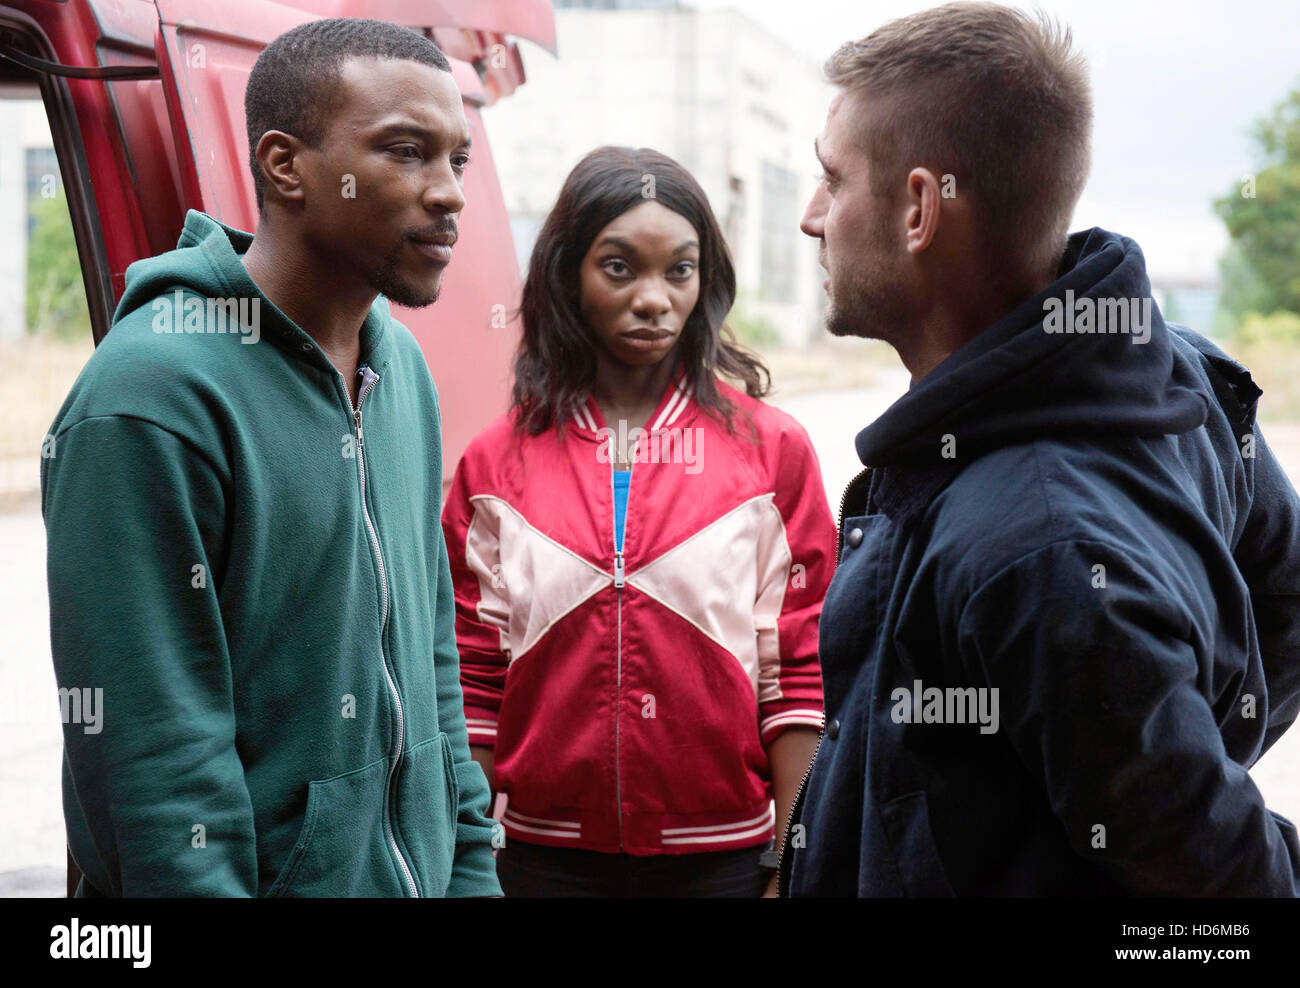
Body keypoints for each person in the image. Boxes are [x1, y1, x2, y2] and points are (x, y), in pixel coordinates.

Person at [780, 1, 1300, 896]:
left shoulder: (1037, 546)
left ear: (918, 210)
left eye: (833, 178)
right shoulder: (1174, 370)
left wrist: (1137, 757)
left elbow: (1223, 880)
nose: (811, 215)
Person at [42, 18, 499, 896]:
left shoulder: (400, 366)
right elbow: (156, 758)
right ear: (286, 166)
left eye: (458, 160)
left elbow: (433, 667)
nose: (448, 194)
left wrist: (472, 875)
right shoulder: (149, 396)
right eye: (406, 152)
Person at [442, 146, 836, 897]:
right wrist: (463, 860)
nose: (653, 298)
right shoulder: (494, 466)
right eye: (619, 267)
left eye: (678, 271)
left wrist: (791, 865)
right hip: (536, 866)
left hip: (725, 867)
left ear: (704, 281)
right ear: (568, 277)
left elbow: (801, 678)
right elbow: (472, 679)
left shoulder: (773, 453)